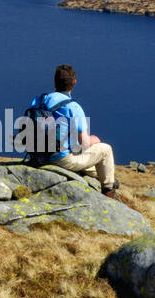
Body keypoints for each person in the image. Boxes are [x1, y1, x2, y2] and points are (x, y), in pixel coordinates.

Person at [28, 64, 119, 198]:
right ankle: (108, 191)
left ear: (55, 81)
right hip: (61, 159)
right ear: (74, 83)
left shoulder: (39, 100)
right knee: (105, 149)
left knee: (78, 151)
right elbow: (85, 144)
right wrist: (94, 140)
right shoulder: (73, 107)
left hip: (37, 156)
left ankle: (101, 177)